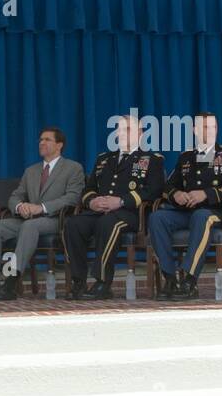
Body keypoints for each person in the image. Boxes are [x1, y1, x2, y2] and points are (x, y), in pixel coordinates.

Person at [63, 113, 164, 300]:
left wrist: (121, 201)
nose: (122, 133)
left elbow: (154, 190)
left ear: (140, 133)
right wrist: (92, 201)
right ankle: (79, 282)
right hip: (99, 211)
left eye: (128, 129)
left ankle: (103, 283)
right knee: (73, 224)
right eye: (119, 129)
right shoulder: (104, 159)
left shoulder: (152, 159)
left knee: (108, 224)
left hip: (131, 214)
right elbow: (89, 188)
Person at [0, 128, 85, 301]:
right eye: (40, 139)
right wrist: (20, 206)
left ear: (59, 145)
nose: (41, 143)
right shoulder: (31, 171)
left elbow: (72, 198)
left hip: (55, 220)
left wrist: (41, 208)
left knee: (30, 226)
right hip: (29, 219)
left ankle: (11, 283)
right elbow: (15, 196)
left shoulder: (73, 168)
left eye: (47, 140)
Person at [148, 112, 222, 301]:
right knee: (157, 217)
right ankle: (170, 279)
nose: (209, 132)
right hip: (186, 212)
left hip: (215, 212)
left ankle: (189, 281)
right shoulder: (186, 157)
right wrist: (176, 194)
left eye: (213, 127)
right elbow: (168, 185)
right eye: (204, 128)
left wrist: (206, 194)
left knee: (202, 216)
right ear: (195, 130)